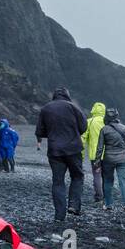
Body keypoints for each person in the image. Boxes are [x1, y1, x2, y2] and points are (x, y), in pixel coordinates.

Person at [35, 87, 87, 223]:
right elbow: (83, 127)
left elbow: (39, 131)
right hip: (73, 148)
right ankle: (74, 205)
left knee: (58, 181)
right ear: (67, 95)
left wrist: (52, 133)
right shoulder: (73, 107)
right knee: (77, 176)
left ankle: (59, 215)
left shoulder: (46, 109)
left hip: (55, 150)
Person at [96, 108, 125, 212]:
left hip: (108, 159)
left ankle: (108, 204)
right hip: (123, 159)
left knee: (107, 181)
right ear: (117, 117)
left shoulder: (104, 129)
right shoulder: (124, 128)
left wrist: (97, 163)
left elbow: (100, 148)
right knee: (123, 181)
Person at [84, 102, 106, 203]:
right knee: (106, 175)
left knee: (97, 175)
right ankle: (106, 196)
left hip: (94, 155)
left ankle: (99, 196)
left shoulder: (90, 121)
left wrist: (81, 153)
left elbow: (84, 137)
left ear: (94, 109)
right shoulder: (107, 122)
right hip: (107, 154)